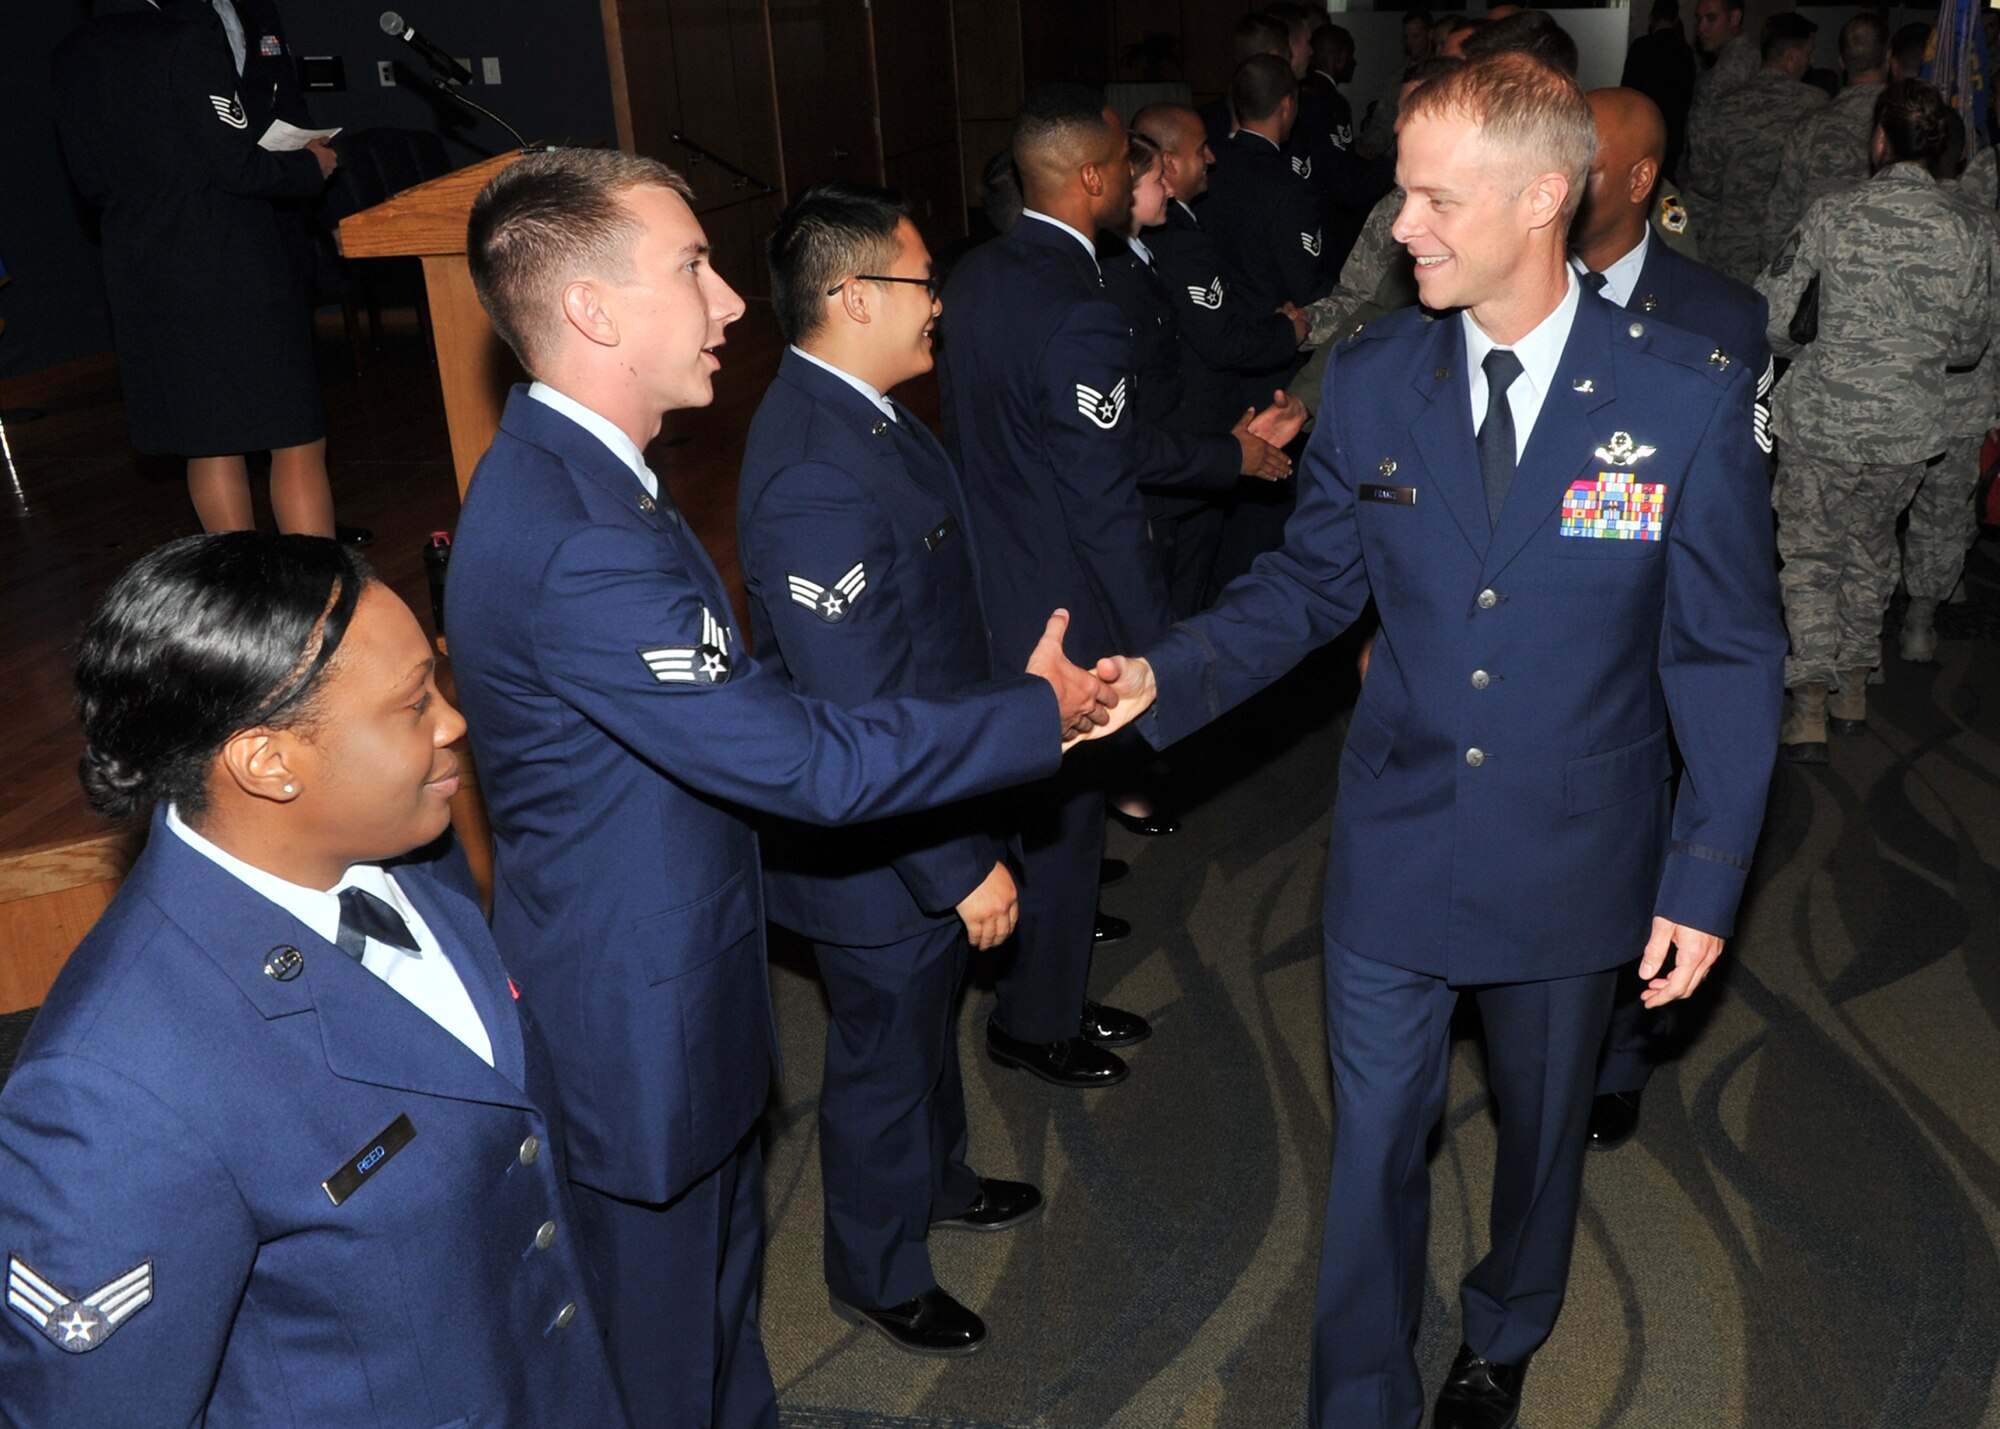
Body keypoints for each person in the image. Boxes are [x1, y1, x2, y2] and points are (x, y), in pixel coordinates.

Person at [1100, 52, 1786, 1429]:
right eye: (1401, 193)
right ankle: (1358, 1395)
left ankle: (1507, 1326)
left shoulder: (1684, 394)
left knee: (1541, 1140)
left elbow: (1727, 648)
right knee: (1371, 1153)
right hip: (1397, 841)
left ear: (1543, 197)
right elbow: (1307, 587)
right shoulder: (1375, 380)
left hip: (1577, 852)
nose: (1399, 225)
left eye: (1430, 200)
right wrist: (1155, 679)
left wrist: (1705, 872)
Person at [446, 149, 1142, 1429]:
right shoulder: (583, 535)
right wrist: (1034, 716)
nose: (727, 304)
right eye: (691, 269)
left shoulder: (590, 479)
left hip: (673, 975)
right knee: (660, 1362)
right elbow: (808, 757)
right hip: (634, 1014)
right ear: (593, 311)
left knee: (716, 1330)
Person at [0, 532, 627, 1425]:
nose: (451, 721)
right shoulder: (112, 1088)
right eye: (413, 704)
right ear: (270, 763)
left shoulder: (412, 846)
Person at [735, 182, 1054, 1358]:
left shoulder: (862, 409)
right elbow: (852, 708)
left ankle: (939, 1179)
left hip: (930, 790)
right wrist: (956, 863)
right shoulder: (817, 464)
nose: (942, 306)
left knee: (923, 1029)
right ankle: (876, 1267)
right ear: (852, 296)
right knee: (878, 1052)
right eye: (927, 284)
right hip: (884, 839)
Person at [937, 86, 1171, 1093]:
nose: (1131, 174)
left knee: (1029, 813)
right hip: (1065, 610)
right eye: (1125, 160)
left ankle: (1047, 972)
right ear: (1088, 178)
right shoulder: (1080, 306)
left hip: (987, 581)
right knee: (1069, 823)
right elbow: (1103, 500)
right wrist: (1165, 644)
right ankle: (1037, 1022)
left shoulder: (975, 272)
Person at [1569, 85, 1774, 1151]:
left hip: (1656, 643)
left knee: (1642, 860)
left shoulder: (1720, 315)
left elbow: (1738, 512)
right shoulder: (1507, 287)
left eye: (1582, 160)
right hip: (1542, 642)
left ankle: (1615, 1056)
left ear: (1639, 180)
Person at [52, 0, 351, 539]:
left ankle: (237, 600)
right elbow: (236, 163)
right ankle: (318, 600)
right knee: (296, 436)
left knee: (209, 439)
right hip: (229, 264)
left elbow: (89, 181)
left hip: (141, 269)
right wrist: (310, 165)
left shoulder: (75, 50)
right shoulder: (186, 39)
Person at [1760, 80, 1994, 760]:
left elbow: (1773, 319)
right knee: (1871, 550)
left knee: (1811, 555)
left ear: (1880, 141)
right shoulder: (1970, 229)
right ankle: (1855, 685)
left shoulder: (1832, 213)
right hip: (1908, 426)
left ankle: (1807, 701)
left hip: (1822, 421)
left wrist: (1820, 348)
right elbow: (1971, 346)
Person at [1133, 102, 1311, 613]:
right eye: (1199, 151)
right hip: (1193, 436)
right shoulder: (1177, 241)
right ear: (1167, 163)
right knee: (1187, 589)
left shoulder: (1166, 234)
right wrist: (1288, 329)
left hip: (1178, 443)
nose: (1211, 158)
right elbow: (1221, 338)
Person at [1685, 12, 1825, 285]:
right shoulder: (1817, 106)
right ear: (1793, 57)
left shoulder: (1727, 105)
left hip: (1730, 246)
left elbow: (1704, 180)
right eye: (1809, 53)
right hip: (1790, 252)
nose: (1812, 61)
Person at [1763, 13, 1890, 260]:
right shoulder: (1903, 125)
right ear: (1888, 58)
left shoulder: (1809, 126)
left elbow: (1780, 221)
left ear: (1841, 61)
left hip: (1818, 272)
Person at [1622, 0, 1697, 177]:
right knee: (1668, 188)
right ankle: (1673, 206)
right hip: (1672, 134)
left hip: (1642, 130)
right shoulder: (1685, 52)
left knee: (1641, 184)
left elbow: (1627, 92)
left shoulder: (1641, 46)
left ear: (1652, 18)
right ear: (1676, 18)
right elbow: (1688, 98)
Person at [1689, 0, 1756, 114]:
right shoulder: (1747, 55)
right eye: (1699, 19)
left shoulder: (1733, 66)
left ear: (1734, 18)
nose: (1701, 28)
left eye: (1711, 18)